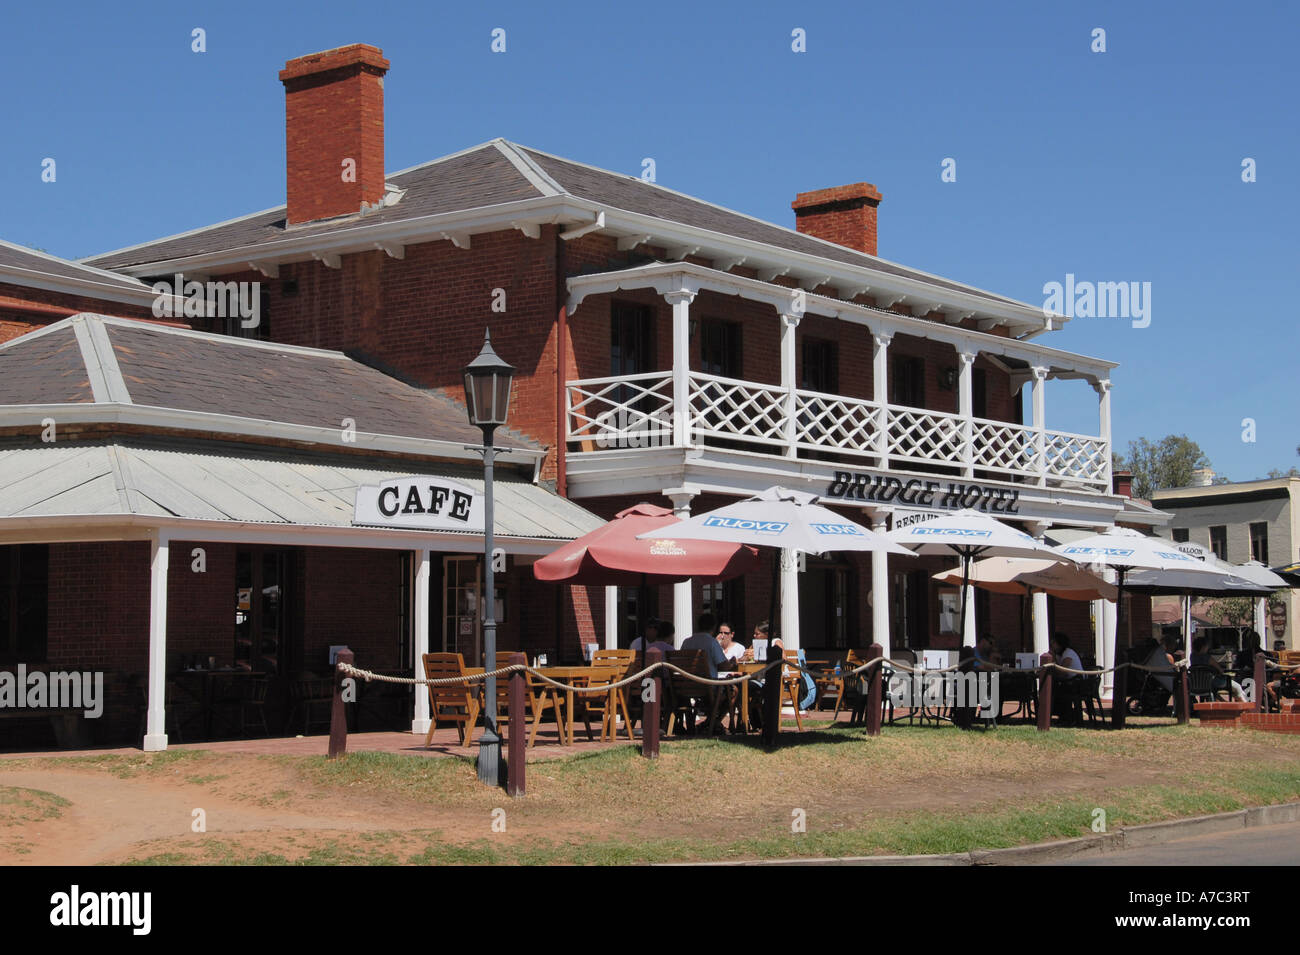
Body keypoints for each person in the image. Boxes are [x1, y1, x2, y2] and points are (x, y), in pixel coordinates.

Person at [1191, 636, 1244, 701]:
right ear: (1204, 647)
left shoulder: (1192, 657)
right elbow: (1220, 670)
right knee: (1237, 687)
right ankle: (1245, 705)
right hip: (1211, 682)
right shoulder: (1207, 658)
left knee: (1215, 691)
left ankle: (1224, 702)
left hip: (1196, 683)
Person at [681, 613, 733, 680]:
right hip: (708, 686)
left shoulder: (686, 642)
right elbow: (724, 666)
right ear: (714, 627)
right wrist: (731, 663)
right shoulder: (712, 642)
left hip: (687, 685)